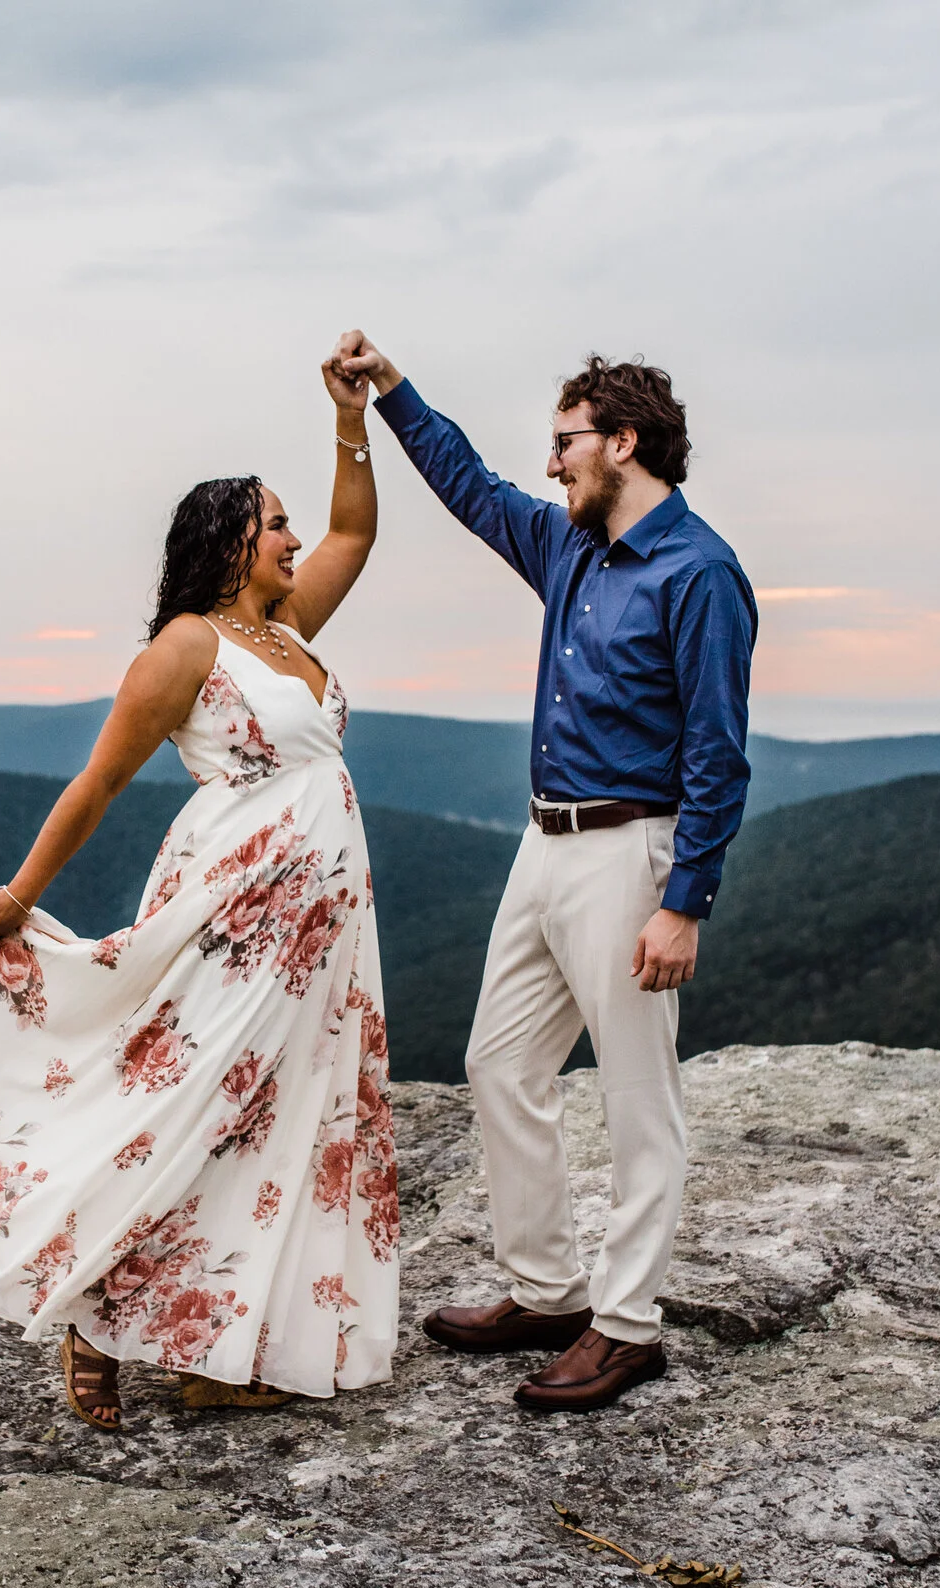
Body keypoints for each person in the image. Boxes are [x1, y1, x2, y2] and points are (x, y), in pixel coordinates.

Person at [0, 349, 393, 1433]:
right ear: (230, 541)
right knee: (195, 1110)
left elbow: (356, 532)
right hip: (239, 913)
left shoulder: (286, 630)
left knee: (278, 1126)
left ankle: (218, 1349)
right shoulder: (187, 646)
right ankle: (94, 1315)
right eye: (275, 524)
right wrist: (21, 890)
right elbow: (98, 781)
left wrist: (347, 420)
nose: (294, 538)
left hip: (318, 929)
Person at [331, 330, 756, 1413]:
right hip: (543, 844)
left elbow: (716, 750)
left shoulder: (698, 571)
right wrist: (392, 391)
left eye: (564, 441)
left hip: (632, 851)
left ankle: (626, 1327)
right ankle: (548, 1291)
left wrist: (682, 902)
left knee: (635, 1096)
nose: (550, 462)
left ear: (621, 442)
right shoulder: (566, 545)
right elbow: (468, 486)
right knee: (498, 1063)